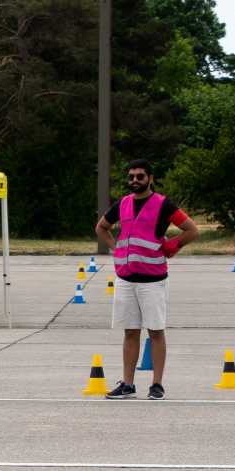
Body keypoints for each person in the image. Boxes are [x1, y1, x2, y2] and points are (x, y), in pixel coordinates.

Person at [94, 160, 198, 398]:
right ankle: (128, 385)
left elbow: (192, 230)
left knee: (156, 332)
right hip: (126, 278)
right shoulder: (123, 204)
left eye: (140, 176)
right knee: (130, 332)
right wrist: (116, 248)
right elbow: (101, 227)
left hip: (152, 280)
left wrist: (173, 246)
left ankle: (157, 385)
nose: (134, 180)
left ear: (150, 178)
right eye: (131, 176)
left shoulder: (164, 204)